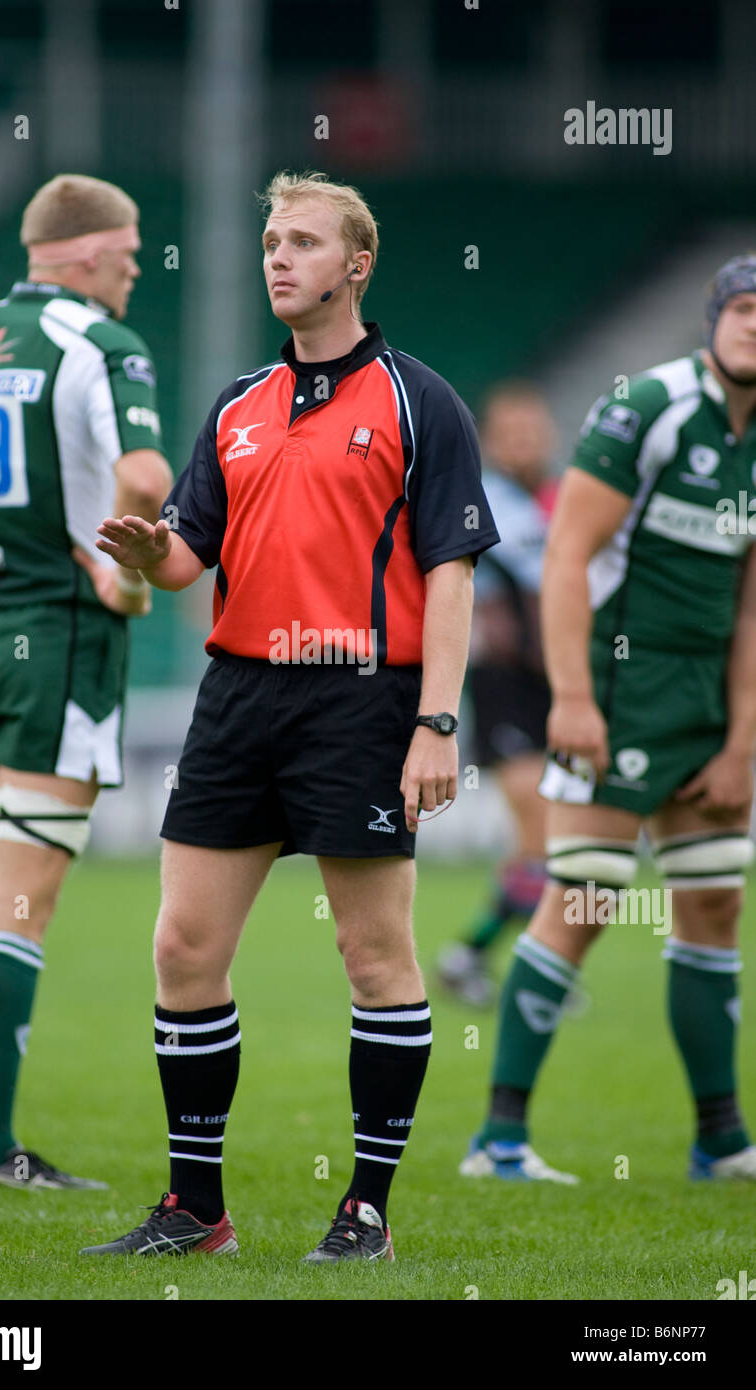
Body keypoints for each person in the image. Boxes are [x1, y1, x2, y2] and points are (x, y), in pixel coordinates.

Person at [81, 170, 499, 1261]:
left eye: (302, 241)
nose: (278, 257)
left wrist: (435, 722)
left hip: (362, 699)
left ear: (354, 265)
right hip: (238, 696)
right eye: (270, 239)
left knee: (373, 959)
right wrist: (146, 553)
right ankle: (194, 1209)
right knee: (182, 948)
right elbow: (185, 560)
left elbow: (451, 570)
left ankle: (364, 1209)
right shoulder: (234, 405)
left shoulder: (420, 398)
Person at [0, 173, 172, 1188]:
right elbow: (142, 481)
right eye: (130, 251)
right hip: (59, 636)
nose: (138, 268)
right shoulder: (102, 344)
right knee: (22, 906)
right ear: (89, 251)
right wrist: (120, 571)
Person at [461, 254, 756, 1184]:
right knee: (584, 898)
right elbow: (566, 558)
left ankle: (720, 1140)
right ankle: (499, 1142)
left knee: (713, 905)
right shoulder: (651, 409)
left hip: (706, 703)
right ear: (712, 320)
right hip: (617, 691)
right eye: (743, 309)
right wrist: (577, 698)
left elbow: (750, 605)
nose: (755, 325)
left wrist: (744, 739)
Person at [437, 383, 562, 1008]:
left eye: (534, 429)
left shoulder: (558, 501)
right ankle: (526, 969)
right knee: (542, 831)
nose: (526, 441)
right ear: (491, 439)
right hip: (504, 685)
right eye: (513, 432)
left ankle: (476, 956)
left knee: (552, 844)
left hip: (561, 686)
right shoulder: (483, 503)